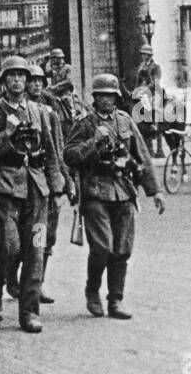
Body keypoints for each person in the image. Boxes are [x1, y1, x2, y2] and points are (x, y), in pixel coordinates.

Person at [0, 56, 63, 333]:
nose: (18, 81)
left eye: (22, 76)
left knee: (35, 249)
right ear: (3, 82)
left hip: (36, 191)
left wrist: (57, 188)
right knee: (10, 246)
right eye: (11, 76)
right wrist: (6, 136)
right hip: (5, 189)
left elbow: (51, 152)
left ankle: (29, 312)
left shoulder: (39, 111)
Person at [63, 73, 165, 319]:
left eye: (110, 95)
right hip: (96, 190)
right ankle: (92, 291)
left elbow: (141, 156)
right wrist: (93, 144)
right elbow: (69, 154)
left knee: (122, 248)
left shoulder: (125, 121)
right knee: (102, 247)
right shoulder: (85, 123)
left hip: (123, 189)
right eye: (101, 96)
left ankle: (115, 300)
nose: (106, 100)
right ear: (95, 98)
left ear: (117, 98)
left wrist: (155, 191)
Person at [28, 63, 76, 303]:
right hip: (26, 184)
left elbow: (59, 150)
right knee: (23, 239)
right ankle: (18, 280)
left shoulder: (51, 112)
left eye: (40, 81)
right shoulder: (16, 110)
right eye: (32, 80)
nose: (36, 84)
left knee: (47, 237)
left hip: (50, 182)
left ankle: (38, 283)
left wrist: (67, 181)